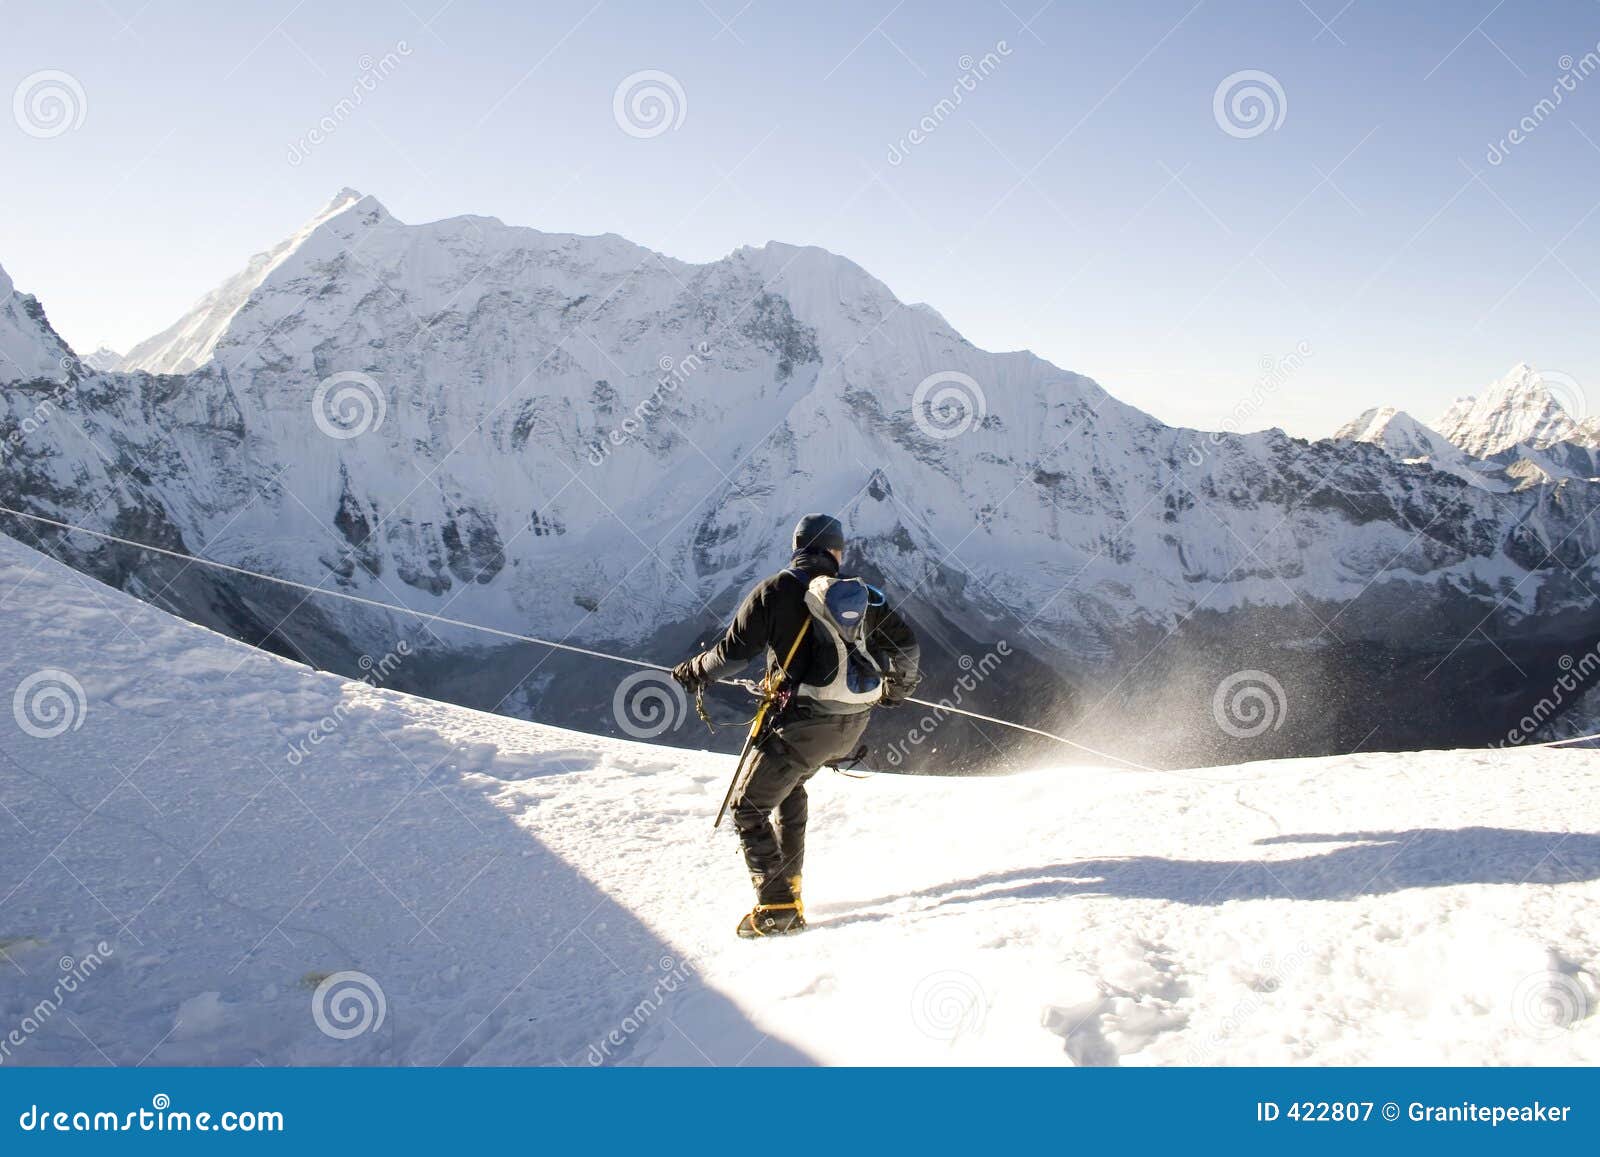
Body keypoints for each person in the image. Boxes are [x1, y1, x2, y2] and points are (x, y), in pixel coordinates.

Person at [673, 513, 920, 937]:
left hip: (802, 725)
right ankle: (792, 890)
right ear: (834, 551)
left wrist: (694, 671)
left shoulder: (774, 591)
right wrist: (896, 691)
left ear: (798, 547)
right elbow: (908, 646)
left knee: (748, 808)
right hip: (853, 720)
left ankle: (777, 907)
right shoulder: (865, 596)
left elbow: (731, 655)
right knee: (790, 787)